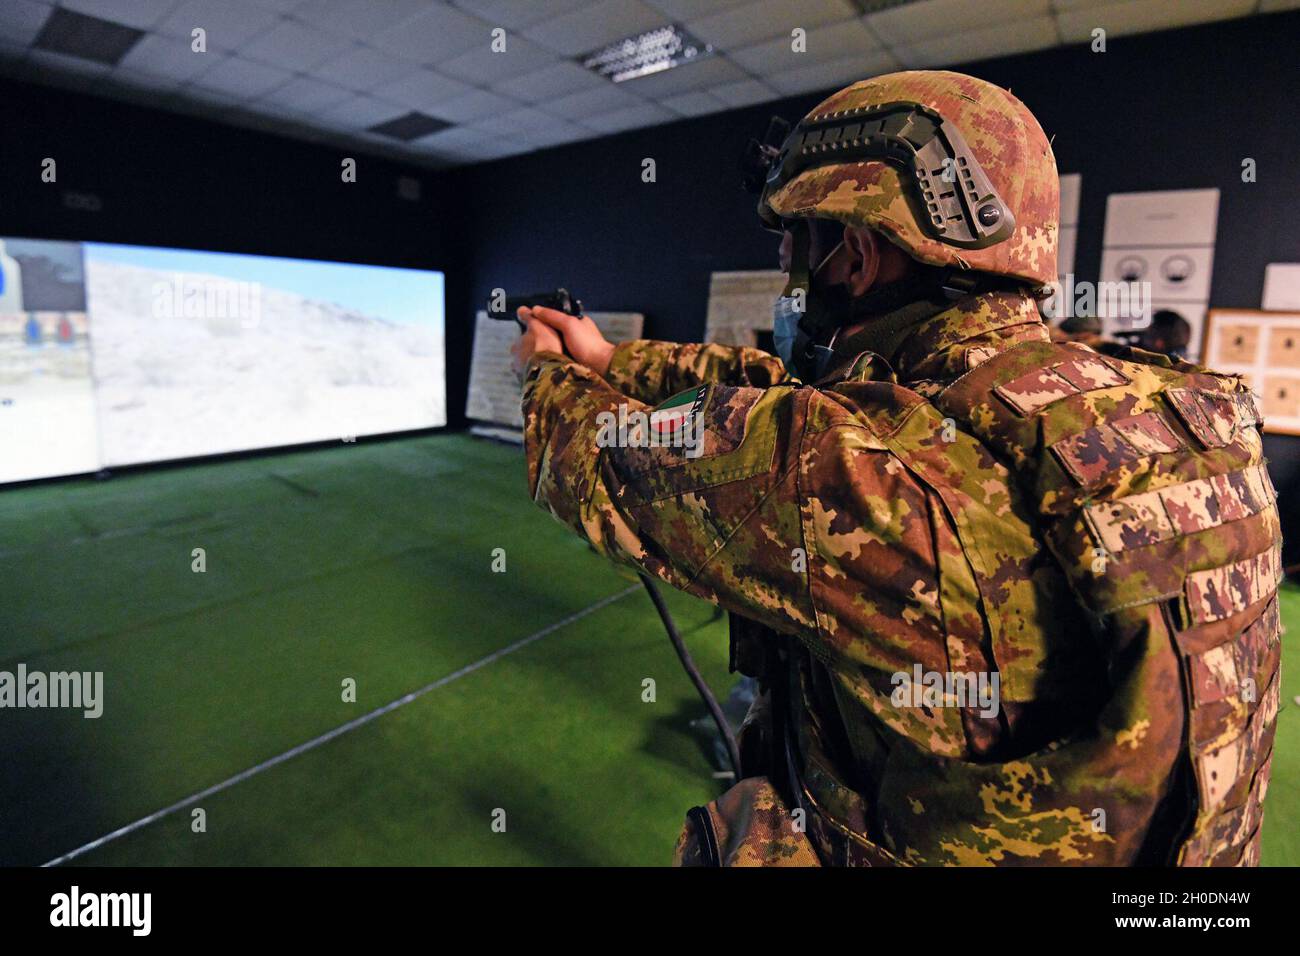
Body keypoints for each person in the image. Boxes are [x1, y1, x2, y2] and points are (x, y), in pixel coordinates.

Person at [509, 70, 1280, 867]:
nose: (789, 279)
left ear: (860, 253)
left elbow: (597, 453)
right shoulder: (1164, 410)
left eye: (793, 249)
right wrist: (609, 356)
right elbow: (786, 390)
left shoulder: (853, 466)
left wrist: (546, 372)